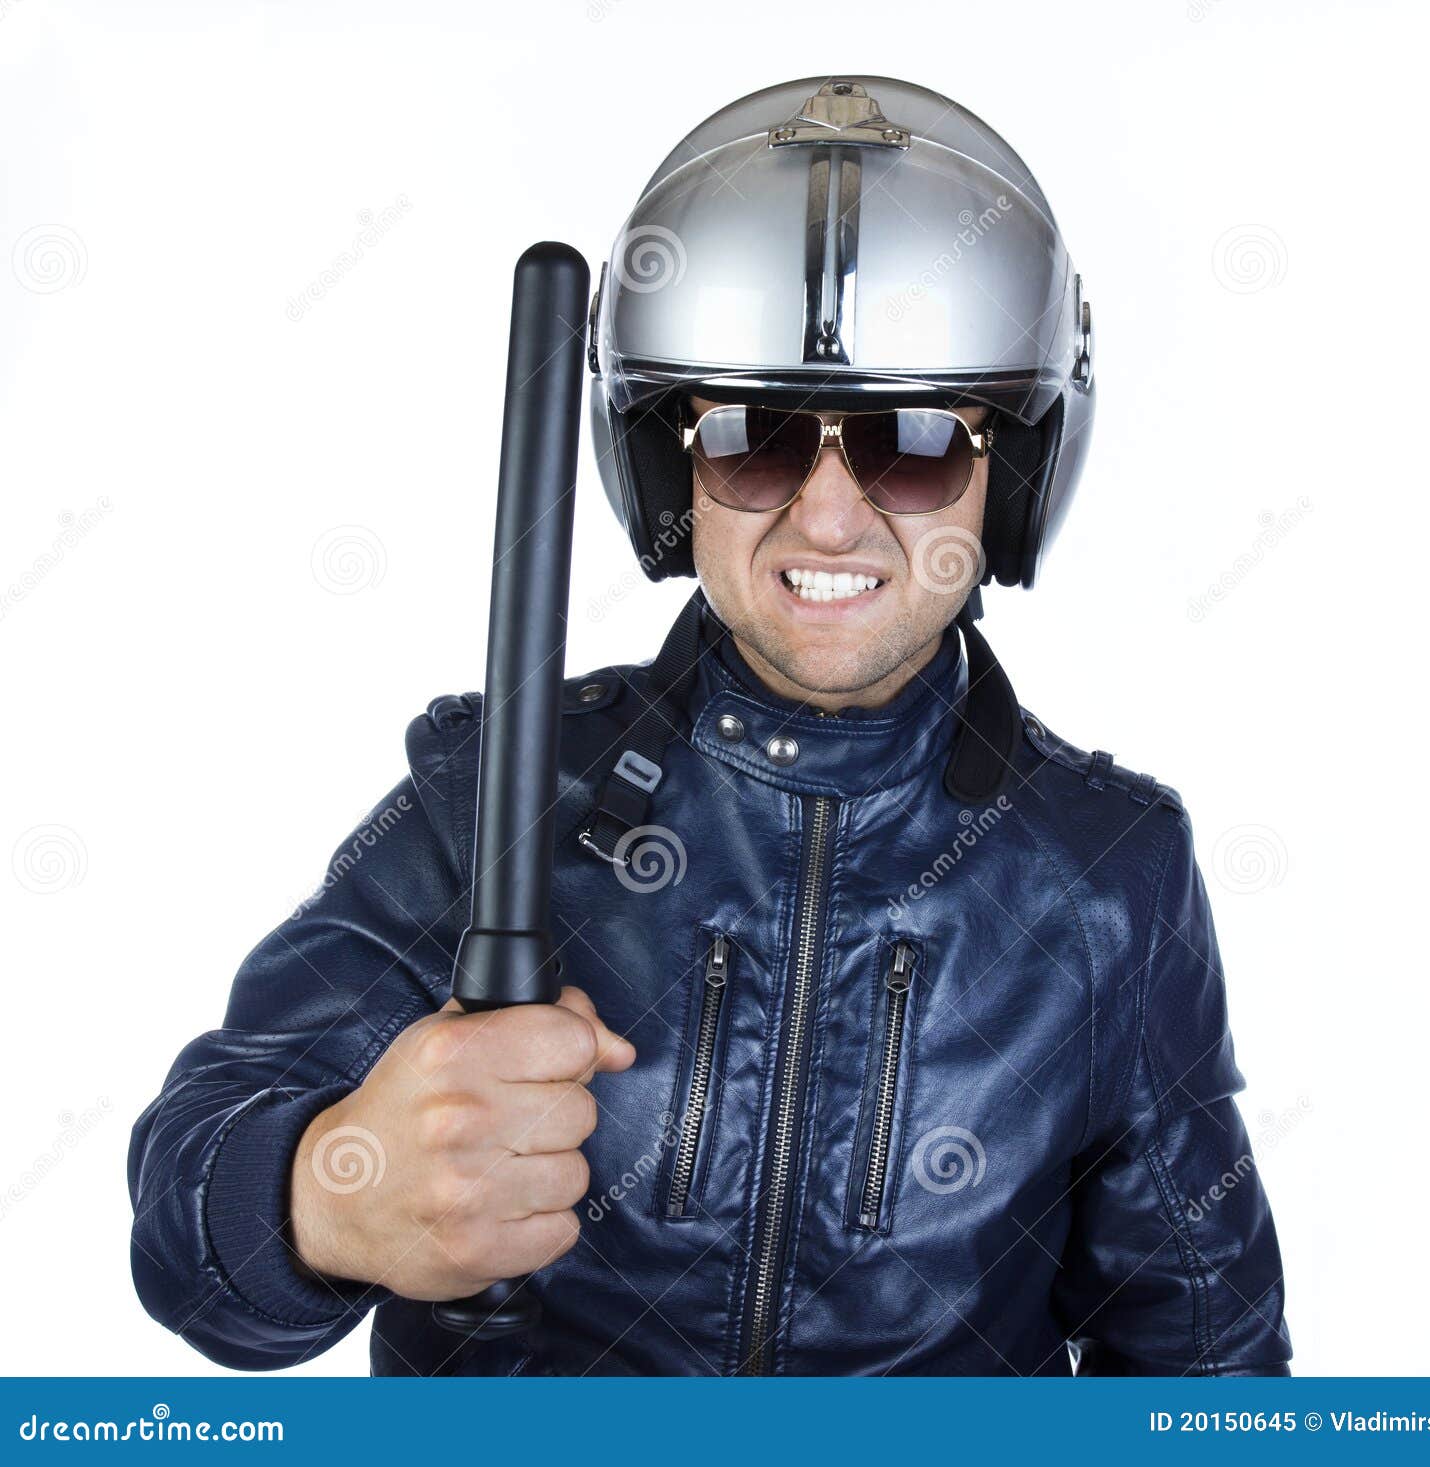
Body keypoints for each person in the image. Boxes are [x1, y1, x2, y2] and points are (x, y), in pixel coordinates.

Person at [129, 76, 1291, 1377]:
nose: (832, 518)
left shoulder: (1110, 876)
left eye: (915, 444)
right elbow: (192, 1214)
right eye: (754, 440)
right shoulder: (490, 797)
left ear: (1009, 482)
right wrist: (324, 1197)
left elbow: (1204, 1371)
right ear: (669, 471)